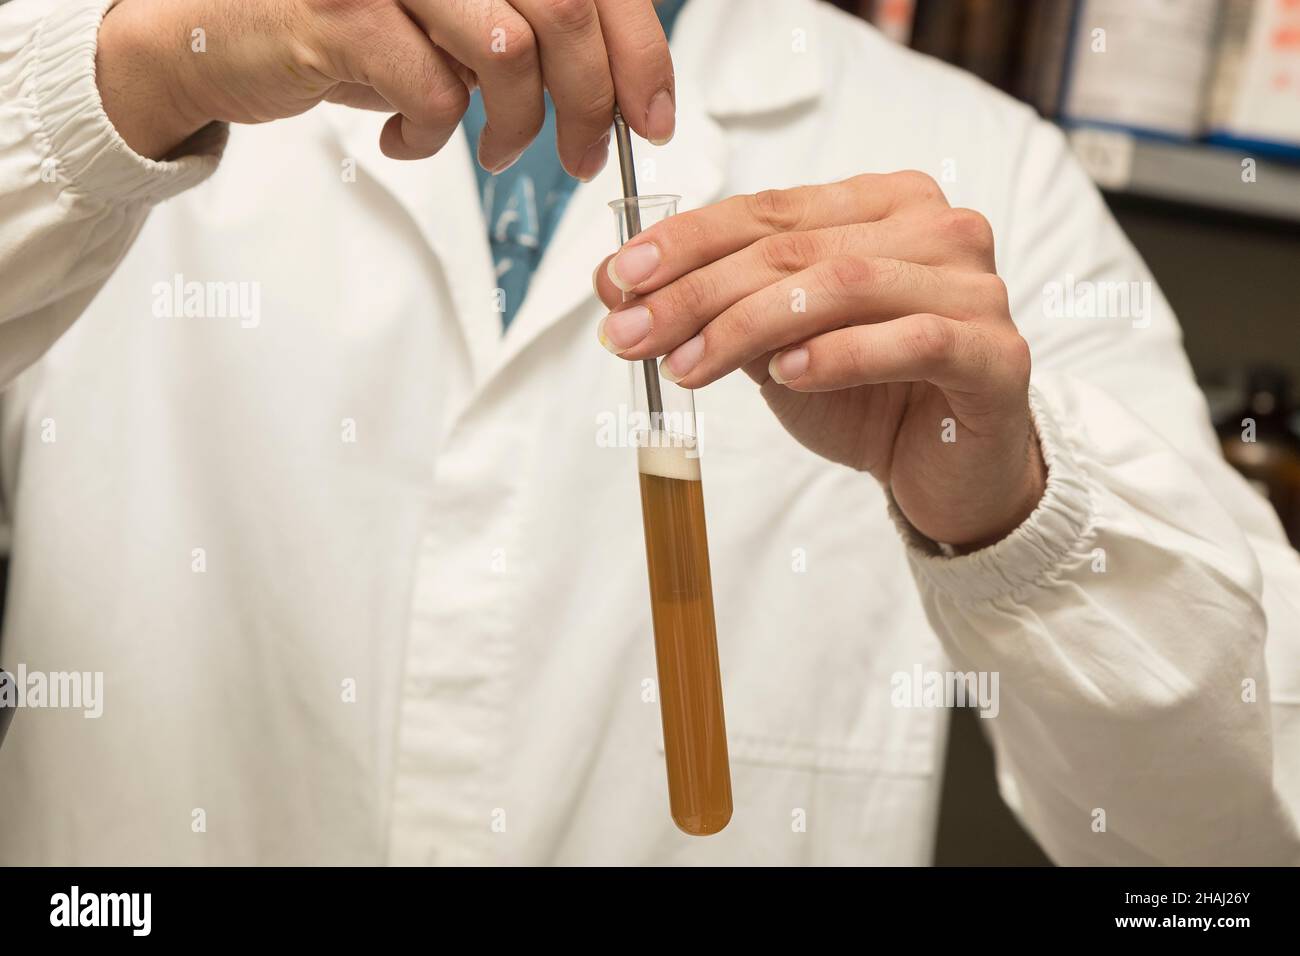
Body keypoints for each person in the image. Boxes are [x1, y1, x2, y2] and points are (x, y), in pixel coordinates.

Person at [0, 0, 1296, 866]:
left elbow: (1228, 839)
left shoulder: (982, 166)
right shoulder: (135, 37)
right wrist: (128, 76)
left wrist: (1012, 510)